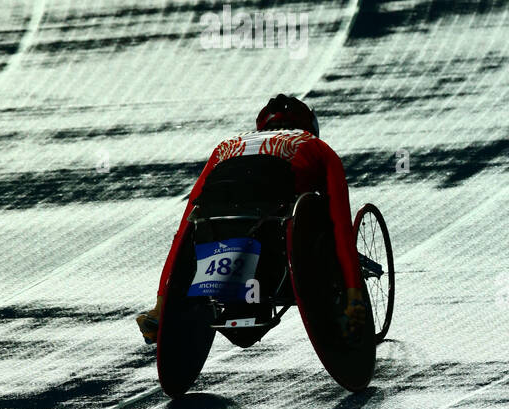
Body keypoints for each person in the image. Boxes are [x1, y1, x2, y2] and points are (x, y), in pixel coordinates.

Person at [137, 94, 366, 345]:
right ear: (310, 126)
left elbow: (185, 229)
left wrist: (161, 304)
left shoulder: (227, 146)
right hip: (272, 247)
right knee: (320, 215)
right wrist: (354, 295)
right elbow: (341, 226)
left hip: (214, 236)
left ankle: (175, 308)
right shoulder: (316, 146)